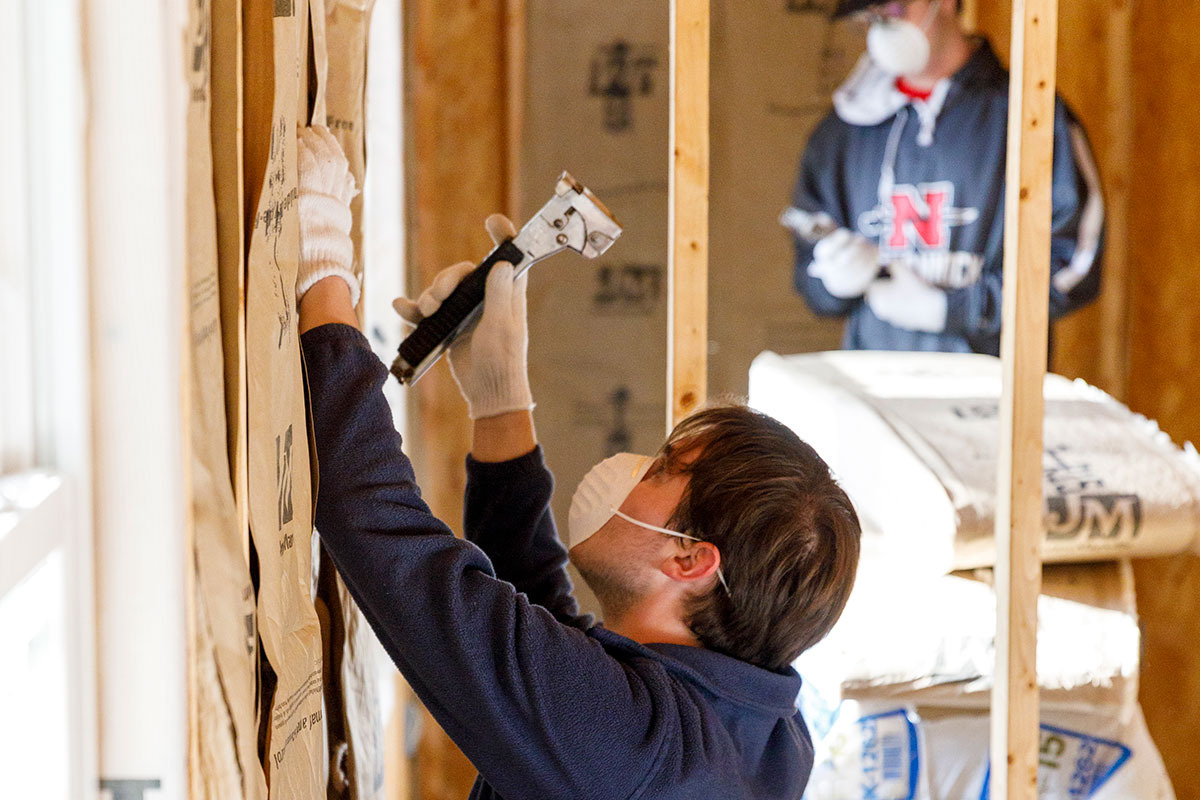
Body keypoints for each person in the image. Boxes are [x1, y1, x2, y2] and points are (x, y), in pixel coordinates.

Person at [295, 126, 861, 799]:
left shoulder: (638, 749)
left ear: (690, 561)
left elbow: (393, 548)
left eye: (659, 471)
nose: (629, 465)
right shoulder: (756, 733)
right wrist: (501, 402)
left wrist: (323, 268)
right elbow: (549, 663)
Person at [786, 0, 1104, 355]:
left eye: (894, 9)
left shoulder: (1030, 118)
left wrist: (952, 311)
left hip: (989, 394)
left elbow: (1075, 263)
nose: (883, 27)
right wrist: (834, 281)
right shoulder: (845, 129)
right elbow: (808, 272)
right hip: (874, 388)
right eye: (869, 17)